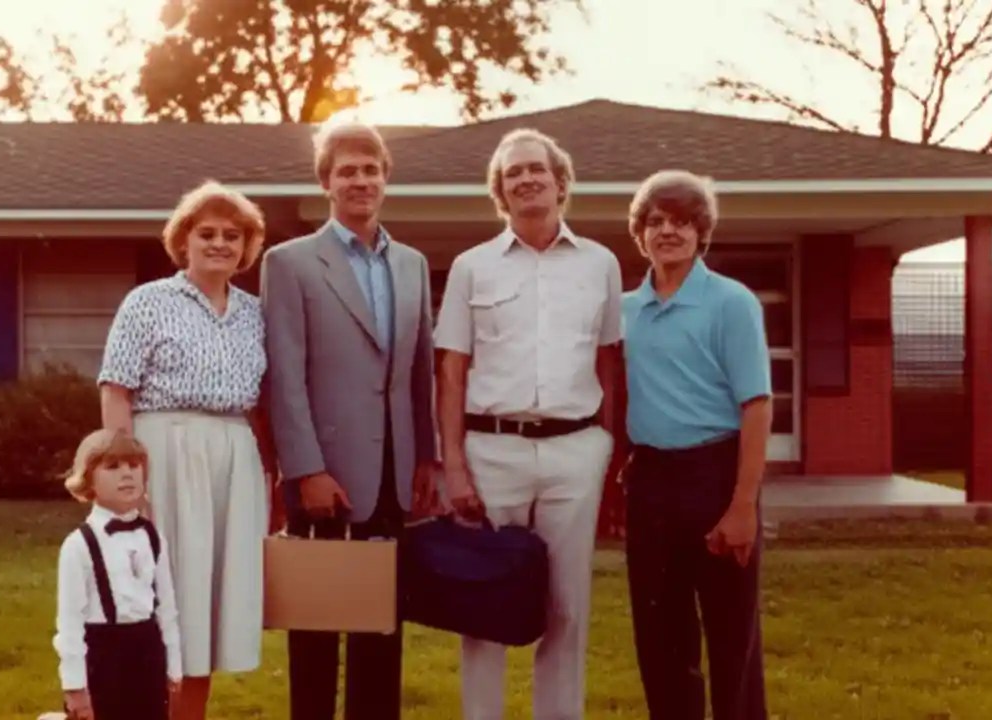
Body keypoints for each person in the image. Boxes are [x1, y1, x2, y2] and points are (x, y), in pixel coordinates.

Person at [433, 127, 623, 720]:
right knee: (483, 604)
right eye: (512, 174)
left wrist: (609, 451)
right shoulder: (471, 267)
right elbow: (451, 371)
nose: (525, 179)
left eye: (535, 169)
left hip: (575, 452)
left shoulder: (601, 264)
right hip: (493, 453)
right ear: (501, 192)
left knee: (568, 609)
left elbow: (610, 361)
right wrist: (454, 465)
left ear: (560, 182)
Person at [260, 119, 438, 720]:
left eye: (370, 169)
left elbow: (418, 369)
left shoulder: (412, 264)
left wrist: (427, 456)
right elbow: (284, 375)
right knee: (315, 632)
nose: (360, 180)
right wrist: (305, 468)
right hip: (324, 475)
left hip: (392, 473)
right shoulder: (291, 263)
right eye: (347, 171)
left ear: (385, 179)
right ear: (327, 184)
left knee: (380, 633)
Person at [97, 180, 275, 720]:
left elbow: (265, 401)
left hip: (234, 459)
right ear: (184, 241)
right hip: (165, 452)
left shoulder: (254, 313)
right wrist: (125, 476)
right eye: (207, 233)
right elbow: (115, 388)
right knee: (164, 601)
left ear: (246, 246)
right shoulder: (147, 302)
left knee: (207, 610)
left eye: (232, 235)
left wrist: (275, 472)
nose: (219, 243)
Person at [621, 169, 771, 720]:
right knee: (661, 637)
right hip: (652, 481)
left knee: (733, 637)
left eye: (682, 222)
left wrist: (743, 505)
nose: (668, 232)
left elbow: (756, 405)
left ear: (701, 232)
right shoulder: (624, 310)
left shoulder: (732, 303)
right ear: (640, 233)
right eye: (656, 221)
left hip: (716, 474)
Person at [53, 428, 182, 720]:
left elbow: (167, 607)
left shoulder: (152, 536)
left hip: (148, 652)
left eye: (134, 466)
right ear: (89, 480)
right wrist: (75, 686)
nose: (127, 474)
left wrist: (173, 665)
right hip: (103, 658)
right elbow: (70, 623)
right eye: (113, 467)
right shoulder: (79, 545)